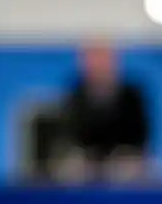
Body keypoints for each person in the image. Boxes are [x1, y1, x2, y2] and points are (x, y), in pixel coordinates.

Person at [57, 42, 151, 180]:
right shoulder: (75, 95)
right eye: (93, 58)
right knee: (71, 169)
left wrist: (125, 153)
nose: (98, 64)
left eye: (103, 58)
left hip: (125, 156)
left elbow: (142, 134)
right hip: (86, 159)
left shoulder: (132, 95)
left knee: (128, 169)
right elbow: (69, 132)